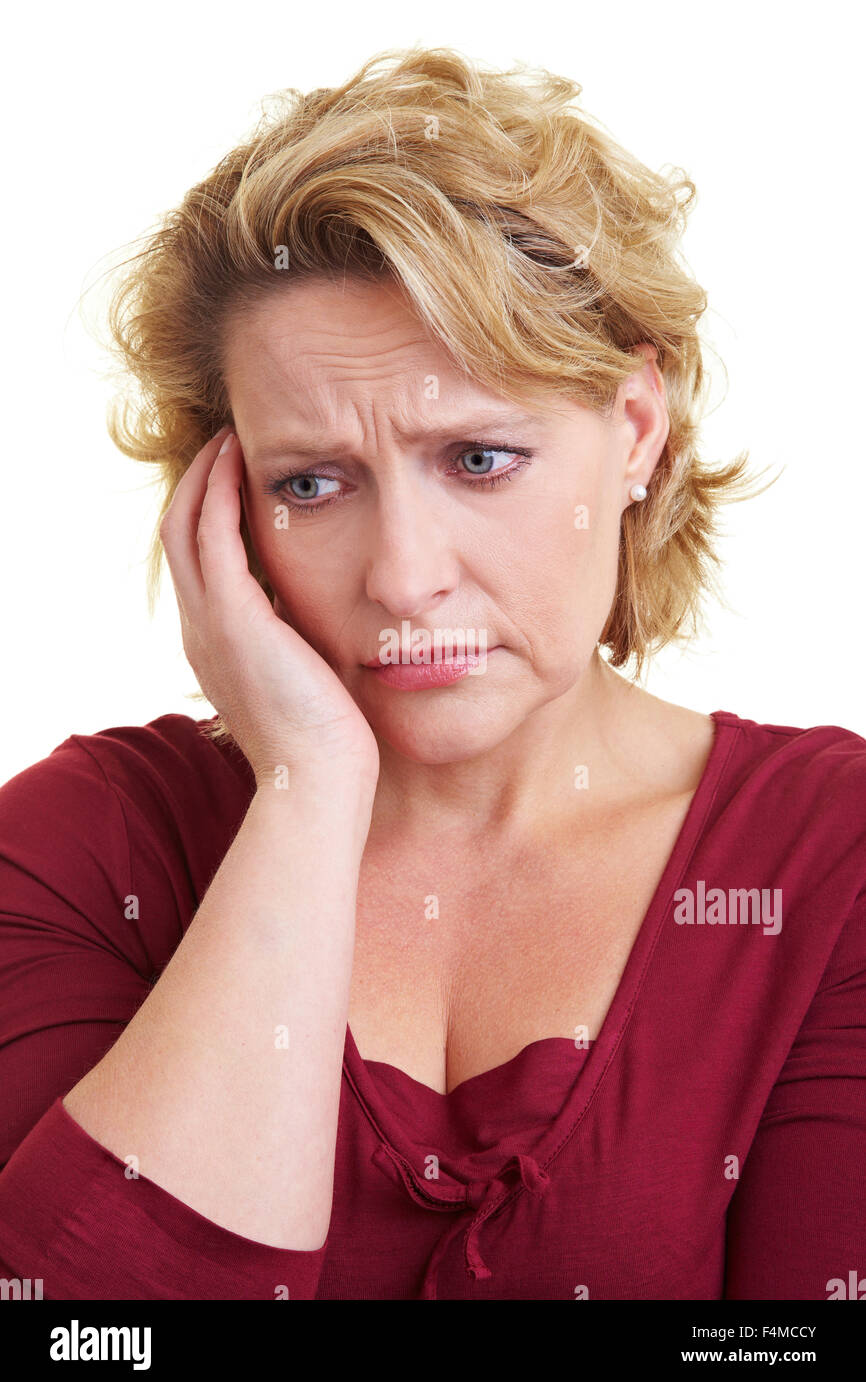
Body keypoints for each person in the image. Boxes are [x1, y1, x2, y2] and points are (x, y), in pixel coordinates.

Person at [0, 45, 863, 1302]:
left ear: (633, 430)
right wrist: (306, 785)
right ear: (224, 504)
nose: (403, 577)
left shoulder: (824, 860)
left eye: (477, 459)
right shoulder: (85, 850)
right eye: (312, 482)